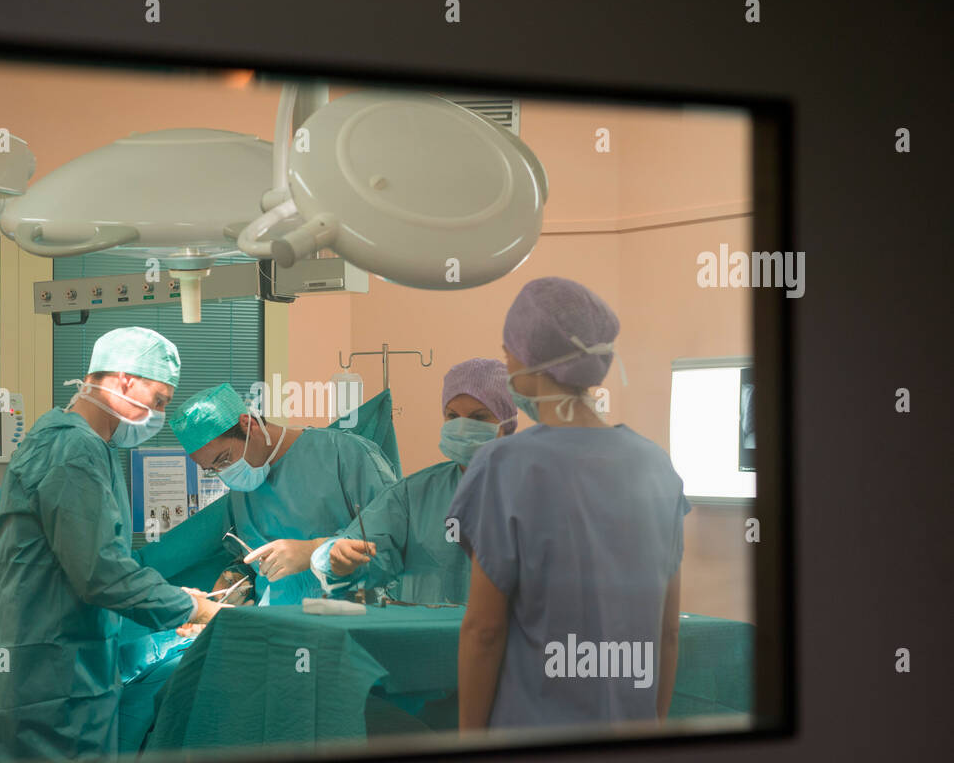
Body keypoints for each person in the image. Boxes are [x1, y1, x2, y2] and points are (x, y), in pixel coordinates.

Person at [0, 327, 230, 763]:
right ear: (126, 379)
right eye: (160, 399)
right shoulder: (74, 450)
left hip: (50, 675)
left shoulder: (66, 439)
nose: (158, 414)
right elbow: (101, 574)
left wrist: (179, 599)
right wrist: (196, 611)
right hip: (50, 690)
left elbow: (89, 560)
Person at [448, 277, 689, 732]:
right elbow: (668, 633)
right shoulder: (658, 467)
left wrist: (469, 747)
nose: (506, 360)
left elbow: (484, 631)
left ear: (532, 360)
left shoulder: (503, 464)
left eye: (508, 352)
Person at [309, 358, 516, 606]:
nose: (462, 428)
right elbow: (362, 554)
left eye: (478, 418)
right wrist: (339, 560)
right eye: (452, 416)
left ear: (507, 422)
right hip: (428, 639)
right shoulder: (414, 495)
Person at [169, 382, 399, 605]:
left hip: (351, 621)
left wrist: (314, 551)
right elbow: (248, 559)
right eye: (212, 470)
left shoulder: (344, 454)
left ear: (249, 425)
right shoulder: (243, 488)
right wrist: (237, 579)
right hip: (278, 628)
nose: (223, 472)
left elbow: (395, 539)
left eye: (224, 460)